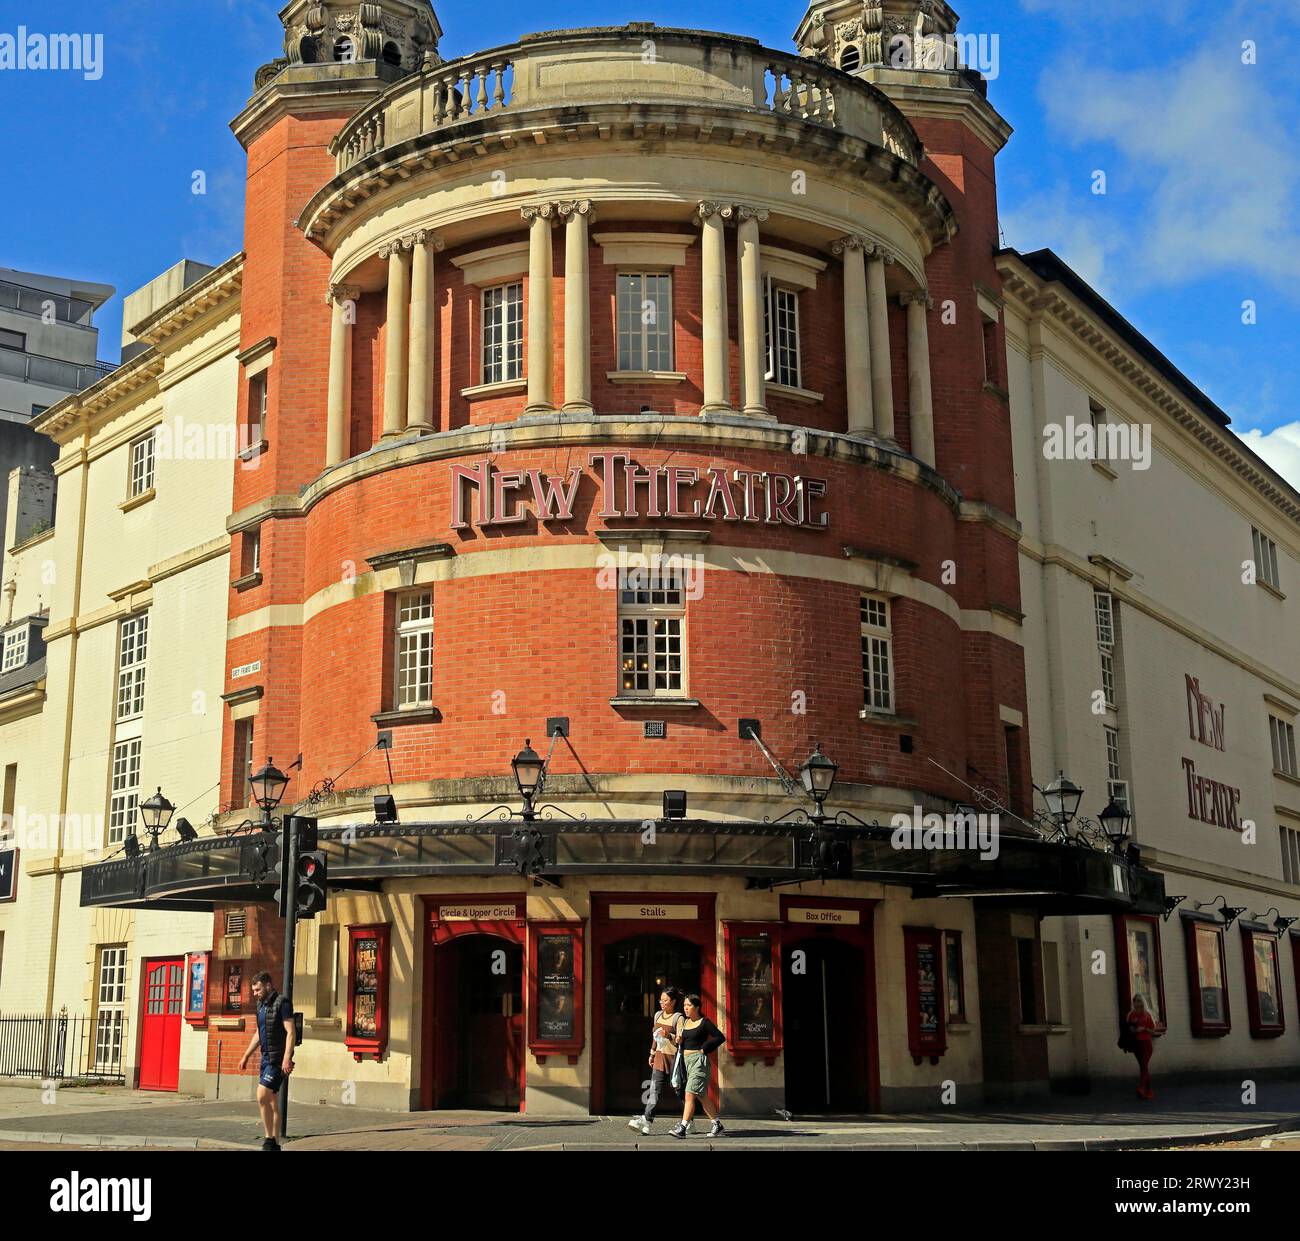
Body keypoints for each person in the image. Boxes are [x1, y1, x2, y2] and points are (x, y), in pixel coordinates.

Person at [238, 971, 296, 1150]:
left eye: (257, 989)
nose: (255, 993)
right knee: (271, 1100)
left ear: (268, 985)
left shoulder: (282, 1003)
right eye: (253, 990)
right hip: (265, 1058)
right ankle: (275, 1143)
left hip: (277, 1059)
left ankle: (268, 1139)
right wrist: (246, 1055)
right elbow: (258, 1033)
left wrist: (287, 1058)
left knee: (261, 1094)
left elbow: (291, 1031)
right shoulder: (260, 1006)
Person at [628, 986, 684, 1136]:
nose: (662, 1002)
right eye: (661, 999)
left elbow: (680, 1041)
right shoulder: (658, 1015)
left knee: (679, 1092)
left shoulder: (679, 1018)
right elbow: (655, 1036)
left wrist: (669, 1036)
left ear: (673, 1001)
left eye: (665, 1000)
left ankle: (688, 1121)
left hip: (674, 1059)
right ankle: (647, 1120)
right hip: (659, 1056)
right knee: (654, 1090)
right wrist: (652, 1053)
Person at [670, 993, 726, 1139]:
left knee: (689, 1093)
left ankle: (682, 1128)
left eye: (688, 1005)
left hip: (699, 1062)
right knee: (701, 1095)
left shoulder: (704, 1022)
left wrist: (705, 1048)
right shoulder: (685, 1022)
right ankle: (717, 1125)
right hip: (686, 1062)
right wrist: (677, 1039)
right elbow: (680, 1043)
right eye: (684, 1005)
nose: (685, 1008)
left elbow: (720, 1037)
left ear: (697, 1007)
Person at [1125, 992, 1160, 1101]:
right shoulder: (1131, 1015)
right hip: (1136, 1044)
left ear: (1142, 1002)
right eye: (1135, 1001)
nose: (1136, 1003)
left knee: (1144, 1065)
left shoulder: (1147, 1015)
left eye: (1139, 1001)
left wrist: (1144, 1029)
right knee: (1143, 1067)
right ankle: (1148, 1091)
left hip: (1146, 1043)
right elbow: (1128, 1028)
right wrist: (1133, 1030)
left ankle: (1141, 1087)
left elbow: (1153, 1031)